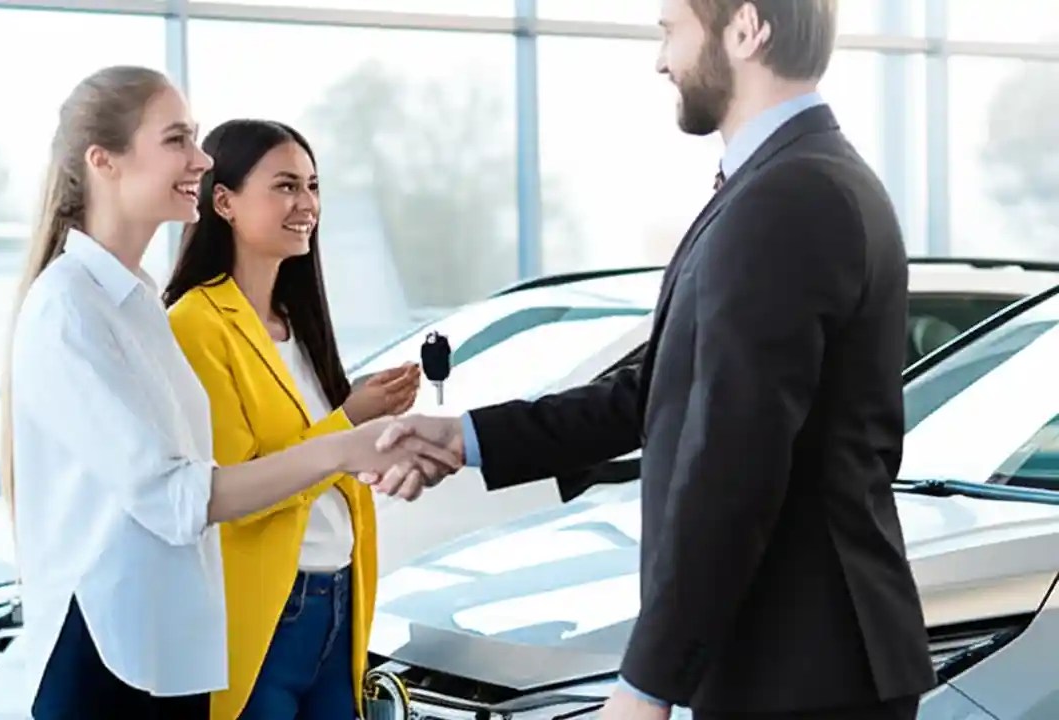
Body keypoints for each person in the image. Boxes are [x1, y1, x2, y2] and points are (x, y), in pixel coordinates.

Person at [366, 1, 937, 719]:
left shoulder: (790, 196)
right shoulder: (786, 180)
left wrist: (647, 685)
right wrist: (467, 438)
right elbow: (660, 394)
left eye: (671, 31)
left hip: (800, 667)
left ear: (746, 28)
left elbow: (733, 461)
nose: (661, 60)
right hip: (796, 662)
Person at [0, 67, 454, 720]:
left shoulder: (135, 307)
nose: (202, 159)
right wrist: (344, 445)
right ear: (105, 161)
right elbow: (181, 494)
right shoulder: (70, 311)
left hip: (171, 644)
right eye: (178, 140)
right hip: (106, 648)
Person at [162, 118, 419, 720]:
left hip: (338, 599)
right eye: (284, 186)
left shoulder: (296, 324)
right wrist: (349, 422)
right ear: (222, 201)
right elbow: (232, 487)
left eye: (312, 185)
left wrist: (370, 424)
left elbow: (318, 454)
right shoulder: (195, 323)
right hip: (269, 609)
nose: (306, 204)